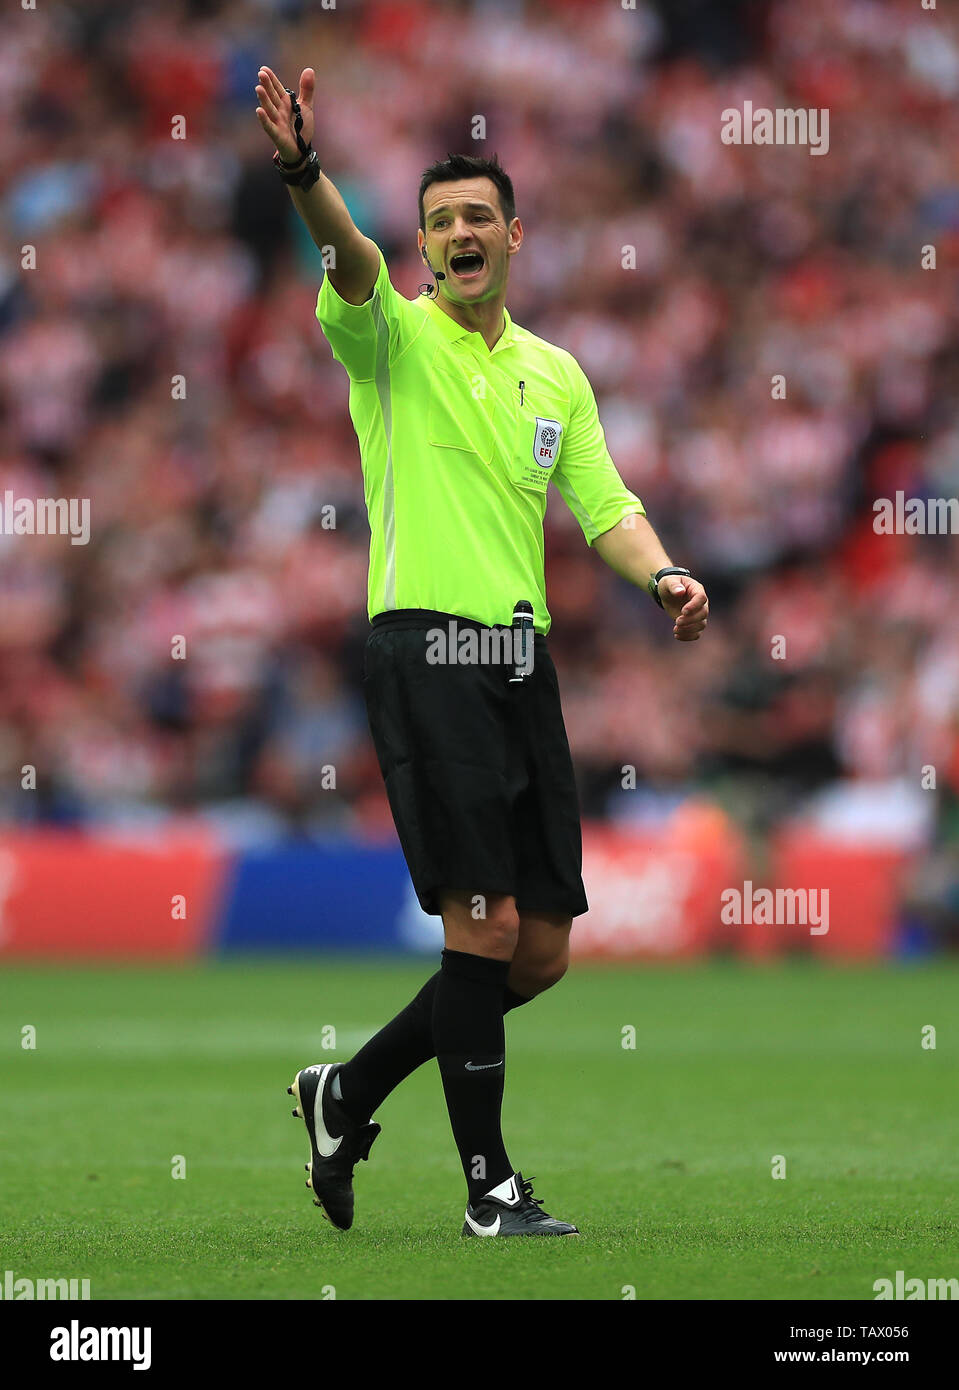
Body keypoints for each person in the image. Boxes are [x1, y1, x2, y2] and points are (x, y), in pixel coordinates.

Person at [256, 65, 709, 1238]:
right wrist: (309, 176)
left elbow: (603, 505)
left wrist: (659, 569)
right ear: (421, 245)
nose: (459, 235)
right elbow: (346, 259)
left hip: (519, 661)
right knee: (484, 928)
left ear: (514, 235)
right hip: (423, 651)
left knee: (540, 949)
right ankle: (488, 1189)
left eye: (478, 218)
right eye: (439, 221)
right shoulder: (388, 337)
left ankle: (344, 1091)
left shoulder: (554, 371)